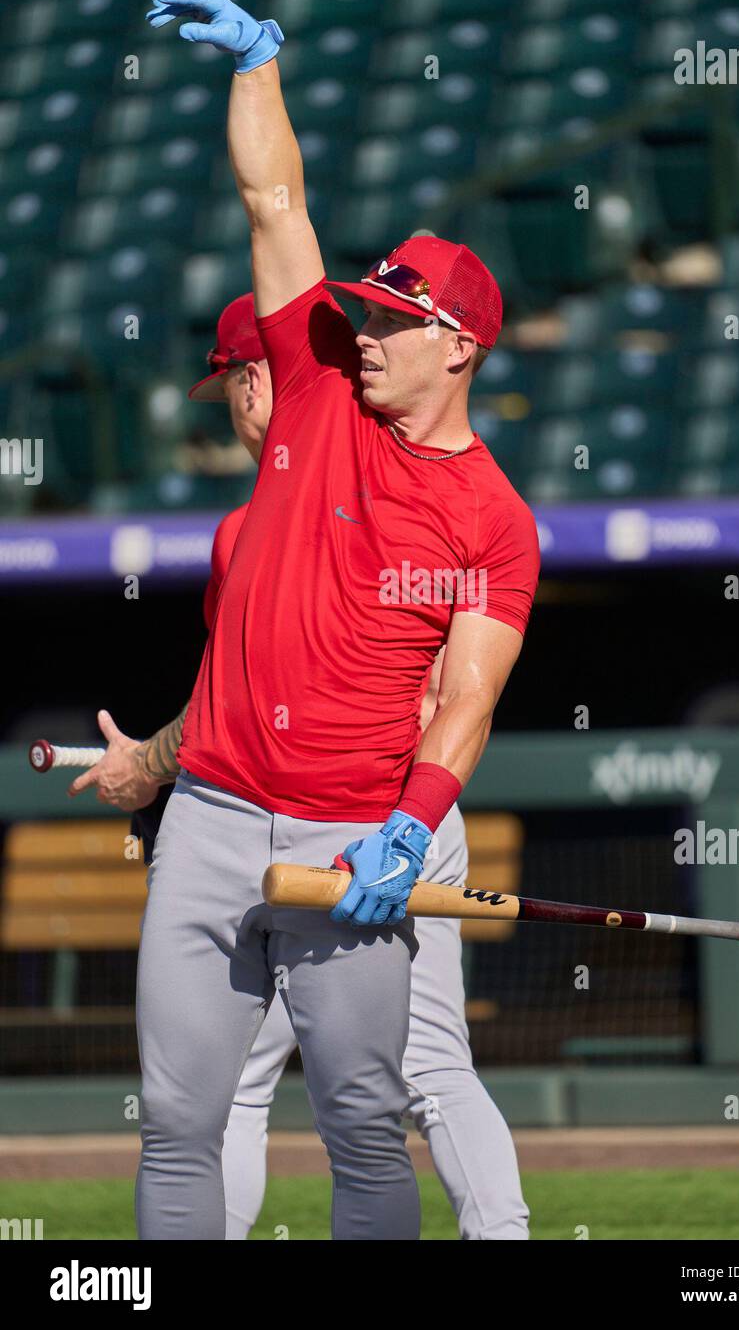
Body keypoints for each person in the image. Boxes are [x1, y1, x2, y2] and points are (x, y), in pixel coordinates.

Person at [125, 0, 539, 1239]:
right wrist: (259, 68)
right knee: (179, 1115)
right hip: (209, 812)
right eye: (364, 311)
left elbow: (464, 703)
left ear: (457, 346)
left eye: (394, 321)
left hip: (351, 829)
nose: (362, 332)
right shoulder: (309, 385)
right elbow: (275, 205)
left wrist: (405, 835)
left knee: (365, 1122)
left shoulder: (493, 518)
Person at [71, 290, 530, 1240]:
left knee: (264, 1092)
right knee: (416, 1075)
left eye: (237, 383)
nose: (237, 410)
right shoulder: (354, 483)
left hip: (366, 819)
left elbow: (436, 681)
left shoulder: (296, 504)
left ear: (257, 379)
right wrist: (155, 764)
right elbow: (233, 706)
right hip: (389, 814)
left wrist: (150, 768)